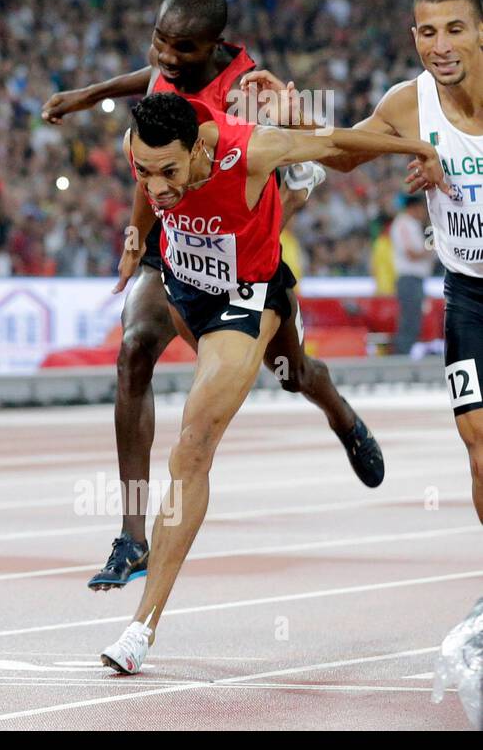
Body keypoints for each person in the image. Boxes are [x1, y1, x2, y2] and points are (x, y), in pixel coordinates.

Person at [99, 90, 447, 674]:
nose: (157, 186)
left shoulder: (252, 149)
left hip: (247, 300)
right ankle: (141, 630)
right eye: (145, 171)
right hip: (183, 289)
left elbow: (337, 143)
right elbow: (146, 186)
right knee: (213, 408)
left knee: (223, 424)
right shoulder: (148, 145)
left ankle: (342, 417)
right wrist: (138, 236)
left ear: (198, 148)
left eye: (169, 172)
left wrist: (416, 146)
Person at [41, 0, 361, 590]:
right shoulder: (171, 70)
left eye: (181, 48)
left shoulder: (249, 95)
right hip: (175, 249)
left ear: (215, 48)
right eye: (159, 40)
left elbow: (301, 177)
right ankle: (132, 535)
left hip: (242, 258)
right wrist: (88, 95)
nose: (165, 56)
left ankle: (338, 412)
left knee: (292, 371)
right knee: (134, 349)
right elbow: (152, 89)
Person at [257, 0, 483, 525]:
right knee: (478, 444)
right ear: (414, 39)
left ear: (480, 32)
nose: (442, 46)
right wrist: (298, 116)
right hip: (469, 296)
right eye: (429, 33)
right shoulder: (407, 104)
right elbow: (341, 153)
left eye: (455, 30)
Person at [390, 194, 435, 354]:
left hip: (415, 279)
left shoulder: (413, 224)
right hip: (409, 278)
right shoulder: (403, 223)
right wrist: (431, 250)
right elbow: (411, 253)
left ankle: (406, 354)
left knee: (414, 319)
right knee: (409, 320)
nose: (424, 212)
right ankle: (401, 356)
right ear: (414, 207)